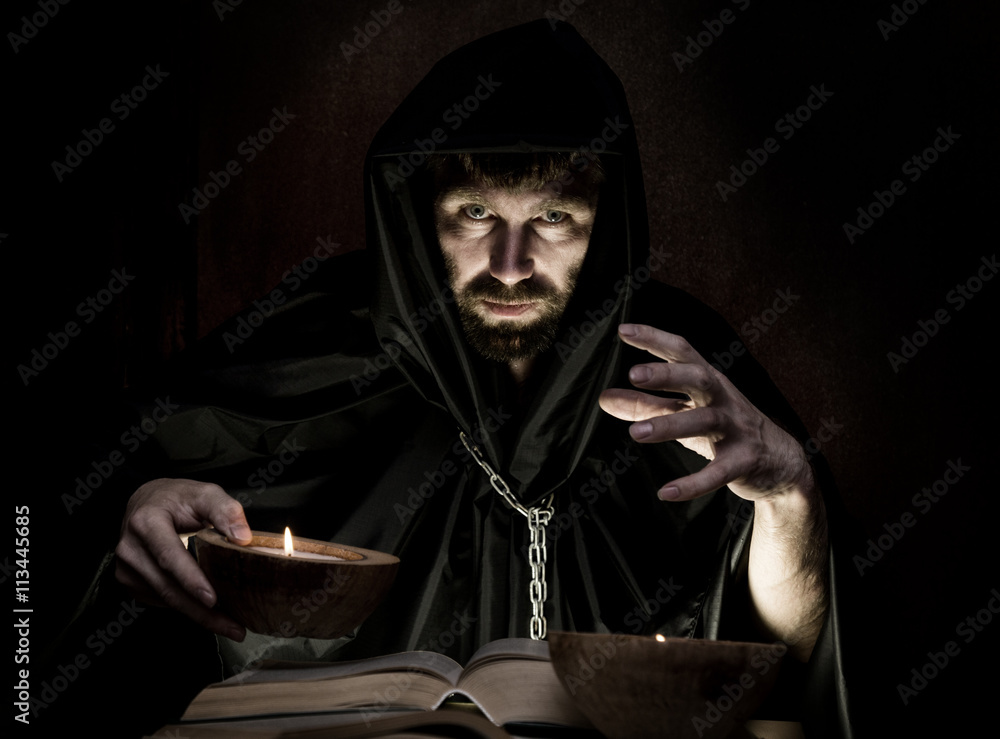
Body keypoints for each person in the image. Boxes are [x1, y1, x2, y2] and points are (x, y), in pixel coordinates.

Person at [111, 20, 852, 736]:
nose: (509, 264)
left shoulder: (687, 371)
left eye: (555, 216)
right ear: (418, 212)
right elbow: (73, 522)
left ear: (606, 222)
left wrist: (793, 492)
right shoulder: (316, 341)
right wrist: (141, 501)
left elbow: (789, 667)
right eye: (473, 211)